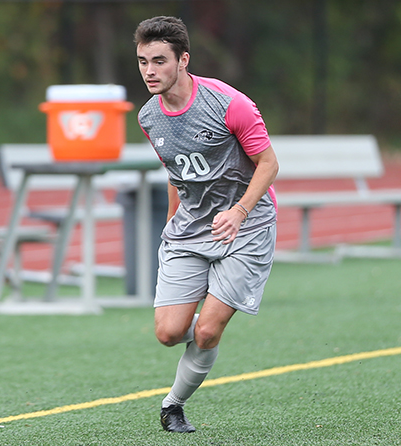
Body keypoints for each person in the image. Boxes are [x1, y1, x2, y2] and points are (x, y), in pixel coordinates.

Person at [134, 16, 279, 433]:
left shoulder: (228, 103)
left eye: (159, 61)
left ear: (184, 60)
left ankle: (173, 403)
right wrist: (170, 223)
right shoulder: (148, 116)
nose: (149, 71)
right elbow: (175, 172)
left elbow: (268, 164)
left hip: (247, 226)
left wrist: (239, 212)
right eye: (143, 61)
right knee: (168, 332)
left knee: (210, 328)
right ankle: (204, 328)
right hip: (190, 228)